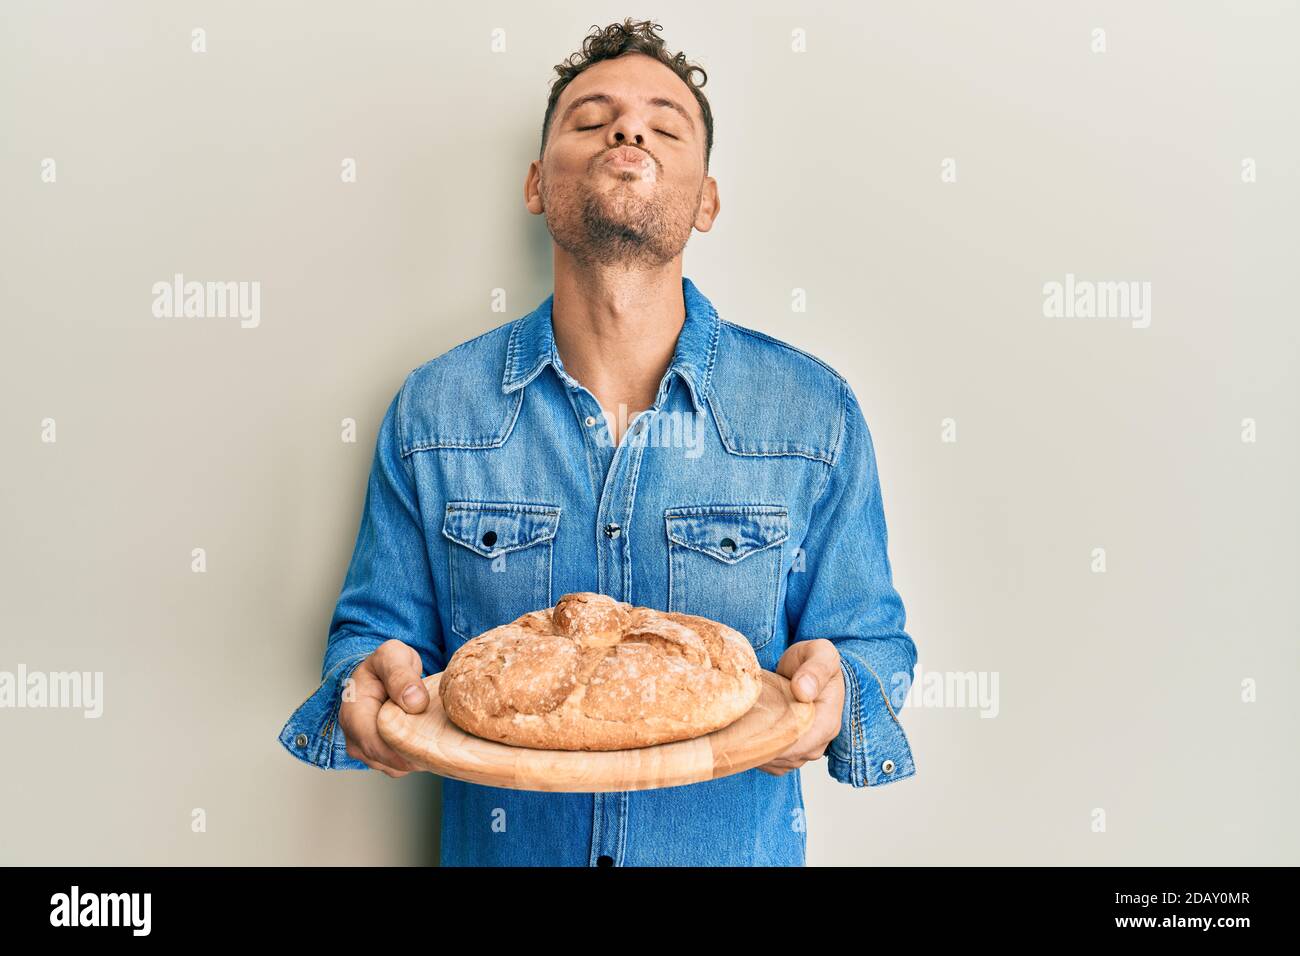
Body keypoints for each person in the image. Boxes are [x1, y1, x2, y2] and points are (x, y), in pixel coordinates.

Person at [279, 17, 917, 866]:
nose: (627, 132)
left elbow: (873, 647)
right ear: (537, 185)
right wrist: (364, 683)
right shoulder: (435, 411)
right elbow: (372, 638)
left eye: (663, 125)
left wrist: (841, 692)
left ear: (706, 201)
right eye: (593, 120)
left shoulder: (811, 414)